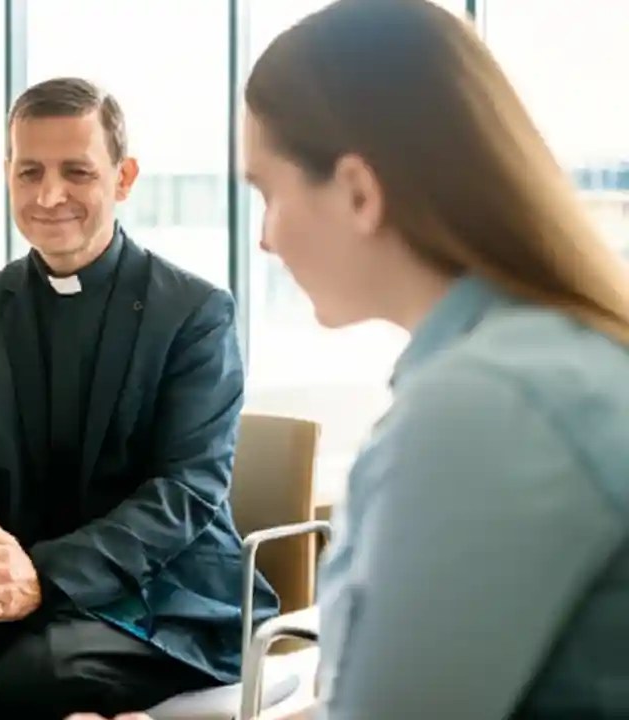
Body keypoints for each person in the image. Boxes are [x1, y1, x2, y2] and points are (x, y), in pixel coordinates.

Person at [242, 0, 629, 717]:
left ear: (358, 191)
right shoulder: (551, 362)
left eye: (266, 192)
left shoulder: (486, 409)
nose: (263, 238)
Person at [0, 76, 279, 719]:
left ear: (123, 178)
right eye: (29, 171)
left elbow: (185, 492)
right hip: (8, 586)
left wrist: (41, 577)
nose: (49, 195)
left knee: (35, 677)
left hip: (163, 595)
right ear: (8, 174)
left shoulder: (195, 313)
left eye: (77, 172)